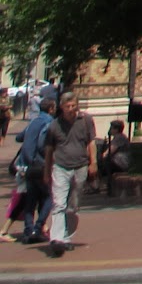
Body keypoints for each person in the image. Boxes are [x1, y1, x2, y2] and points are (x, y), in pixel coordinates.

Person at [41, 90, 98, 257]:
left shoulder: (86, 120)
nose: (71, 109)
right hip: (60, 167)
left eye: (74, 105)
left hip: (80, 166)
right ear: (61, 107)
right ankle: (57, 240)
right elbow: (49, 150)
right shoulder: (54, 125)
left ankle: (66, 237)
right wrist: (46, 171)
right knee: (59, 203)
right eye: (68, 106)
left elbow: (91, 142)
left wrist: (93, 162)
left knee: (73, 206)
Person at [11, 88, 54, 244]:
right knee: (49, 196)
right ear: (51, 109)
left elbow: (19, 137)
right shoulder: (48, 122)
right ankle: (38, 227)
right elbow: (44, 144)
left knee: (31, 199)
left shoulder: (34, 121)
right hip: (40, 164)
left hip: (25, 166)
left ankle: (28, 231)